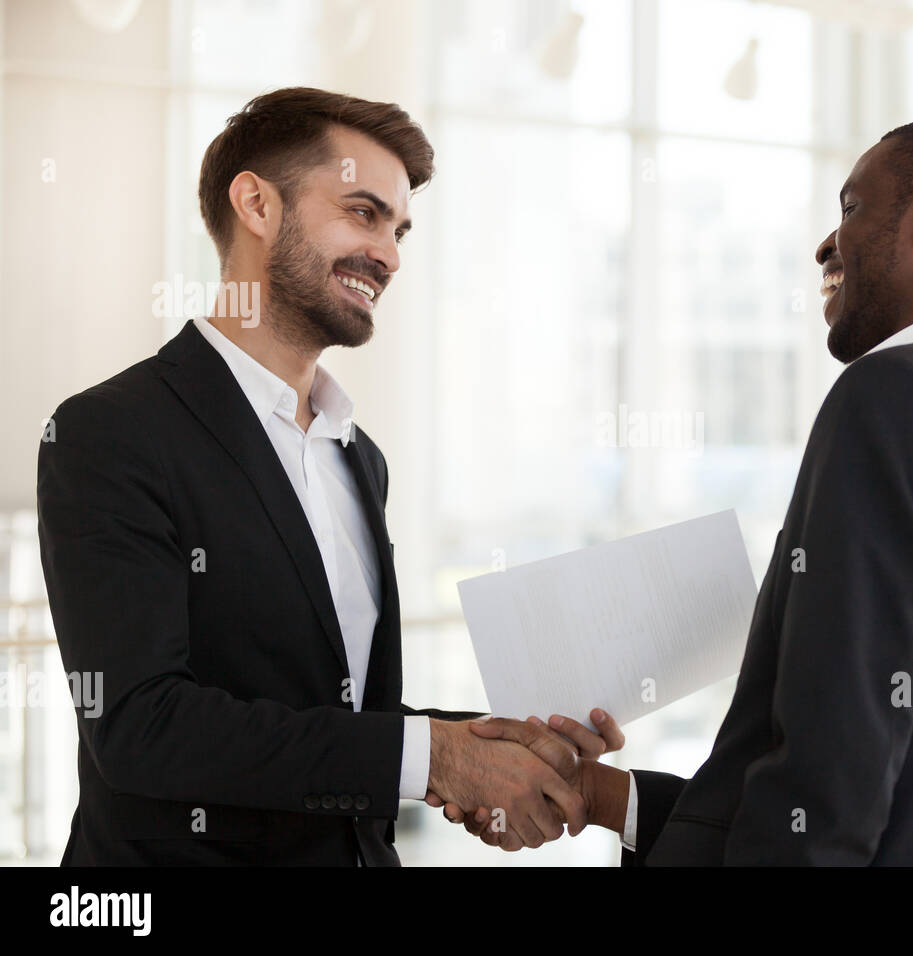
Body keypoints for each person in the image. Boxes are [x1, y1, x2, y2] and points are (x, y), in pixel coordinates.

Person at [445, 116, 913, 865]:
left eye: (851, 208)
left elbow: (832, 772)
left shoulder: (890, 393)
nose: (826, 245)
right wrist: (602, 794)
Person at [36, 87, 618, 866]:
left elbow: (332, 711)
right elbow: (140, 726)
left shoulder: (358, 456)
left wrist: (497, 749)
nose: (391, 253)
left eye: (401, 228)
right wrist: (435, 758)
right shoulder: (112, 433)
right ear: (257, 205)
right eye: (364, 212)